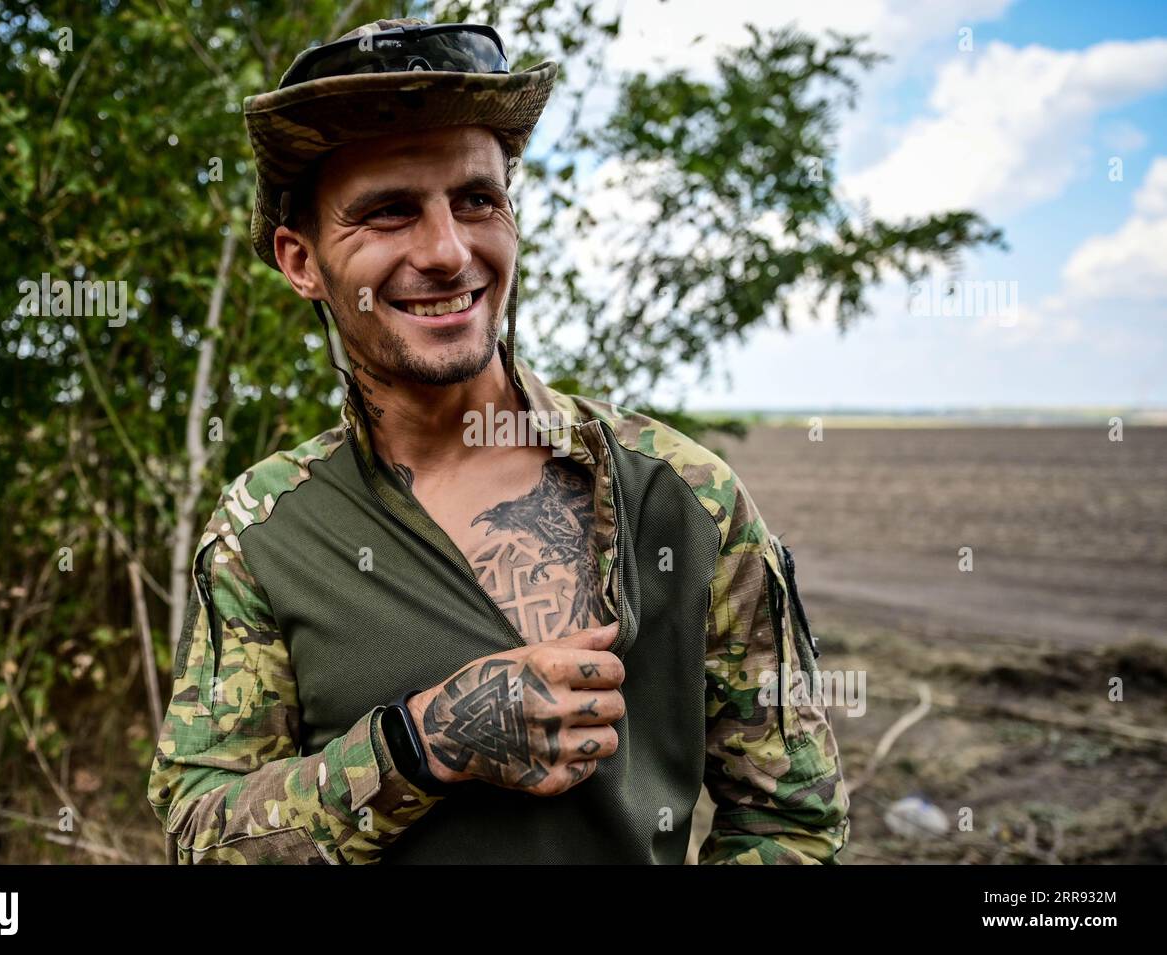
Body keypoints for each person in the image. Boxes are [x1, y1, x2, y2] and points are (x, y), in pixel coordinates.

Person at [147, 17, 850, 864]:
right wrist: (423, 743)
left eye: (477, 200)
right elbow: (198, 833)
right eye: (388, 212)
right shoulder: (267, 532)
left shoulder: (681, 497)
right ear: (301, 261)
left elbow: (794, 821)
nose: (447, 251)